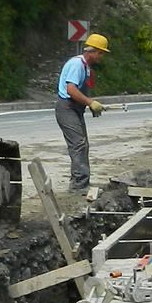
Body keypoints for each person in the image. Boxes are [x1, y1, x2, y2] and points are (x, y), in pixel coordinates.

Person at [55, 33, 109, 200]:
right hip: (67, 108)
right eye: (100, 53)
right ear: (92, 51)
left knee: (82, 144)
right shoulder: (77, 64)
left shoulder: (85, 67)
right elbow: (71, 90)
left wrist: (89, 105)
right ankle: (78, 185)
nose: (101, 57)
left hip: (74, 109)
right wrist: (90, 102)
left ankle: (82, 182)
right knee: (78, 144)